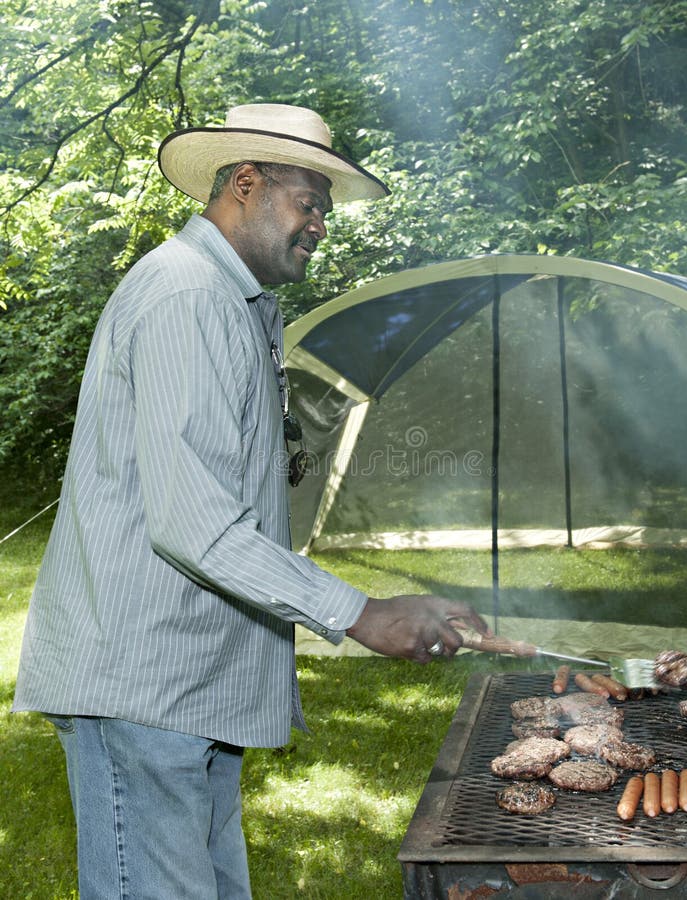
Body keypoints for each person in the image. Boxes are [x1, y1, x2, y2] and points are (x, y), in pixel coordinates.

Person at [13, 104, 488, 899]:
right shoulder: (186, 296)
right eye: (309, 204)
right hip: (144, 684)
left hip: (191, 682)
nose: (320, 228)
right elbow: (192, 522)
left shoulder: (238, 303)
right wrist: (361, 612)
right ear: (244, 183)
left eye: (324, 212)